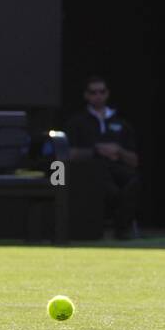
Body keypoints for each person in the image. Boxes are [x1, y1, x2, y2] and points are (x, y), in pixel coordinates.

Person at [64, 76, 140, 239]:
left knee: (134, 182)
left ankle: (122, 230)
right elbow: (68, 154)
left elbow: (134, 160)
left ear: (107, 94)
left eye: (102, 92)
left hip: (117, 169)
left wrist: (118, 150)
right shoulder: (77, 122)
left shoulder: (122, 123)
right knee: (109, 190)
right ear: (86, 95)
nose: (98, 96)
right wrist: (96, 150)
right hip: (89, 171)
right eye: (93, 92)